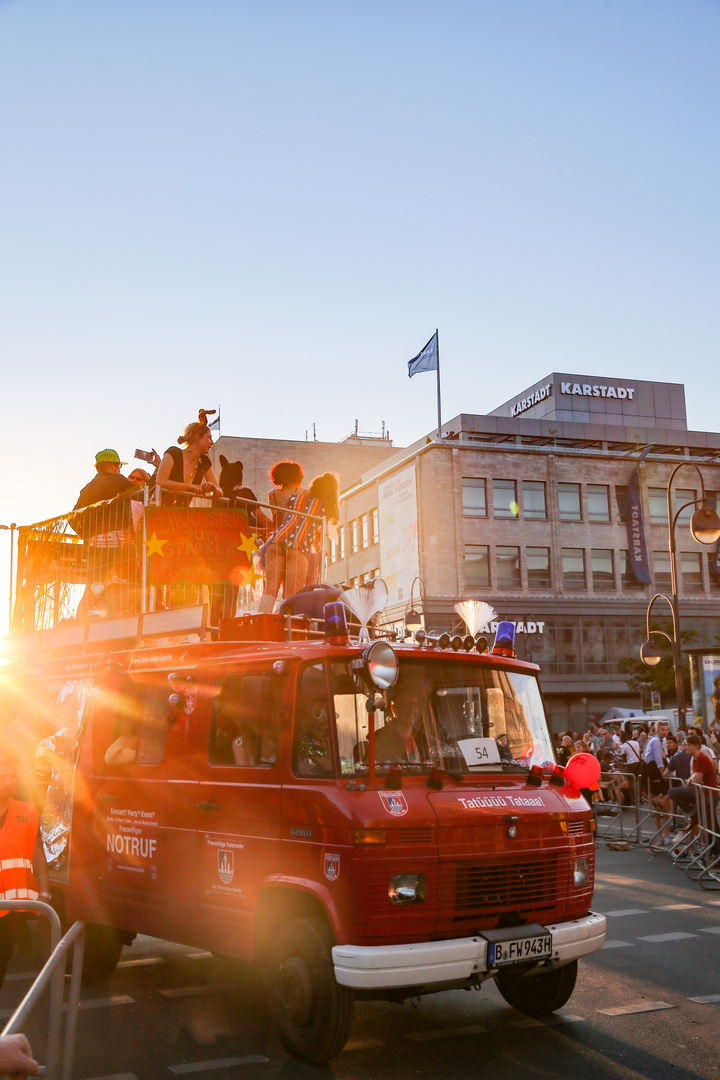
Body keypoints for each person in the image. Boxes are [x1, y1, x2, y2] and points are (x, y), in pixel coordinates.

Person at [0, 749, 50, 990]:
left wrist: (45, 893)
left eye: (10, 776)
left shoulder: (27, 813)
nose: (6, 782)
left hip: (11, 911)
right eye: (1, 777)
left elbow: (38, 854)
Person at [259, 472, 339, 613]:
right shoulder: (324, 507)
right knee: (291, 595)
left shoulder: (295, 497)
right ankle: (284, 625)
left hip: (277, 540)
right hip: (298, 545)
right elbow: (318, 534)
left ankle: (261, 621)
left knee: (270, 589)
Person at [156, 415, 223, 506]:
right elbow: (160, 481)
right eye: (209, 437)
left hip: (183, 515)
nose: (212, 443)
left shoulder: (204, 461)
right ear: (197, 437)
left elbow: (220, 492)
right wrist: (191, 487)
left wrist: (213, 488)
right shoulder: (173, 453)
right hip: (158, 511)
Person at [668, 735, 718, 837]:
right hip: (702, 793)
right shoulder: (695, 758)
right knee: (710, 825)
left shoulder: (701, 758)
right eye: (686, 745)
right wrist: (693, 778)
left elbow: (697, 779)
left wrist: (693, 778)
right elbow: (695, 778)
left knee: (711, 826)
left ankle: (714, 849)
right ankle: (693, 814)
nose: (686, 747)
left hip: (708, 795)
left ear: (696, 746)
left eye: (688, 745)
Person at [375, 689, 427, 763]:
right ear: (394, 709)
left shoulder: (423, 738)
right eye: (406, 705)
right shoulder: (381, 737)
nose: (411, 709)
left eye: (414, 705)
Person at [294, 701, 334, 777]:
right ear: (308, 718)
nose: (323, 717)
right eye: (317, 713)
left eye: (326, 712)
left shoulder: (327, 739)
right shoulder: (306, 741)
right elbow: (329, 767)